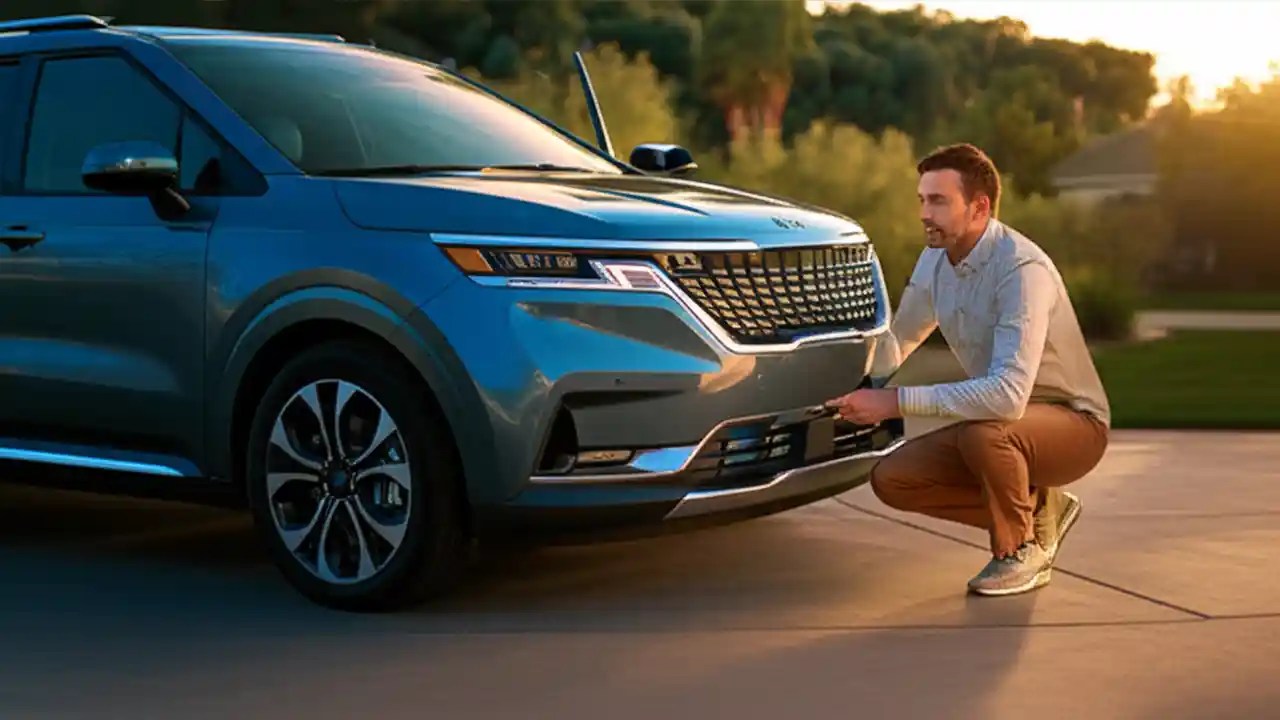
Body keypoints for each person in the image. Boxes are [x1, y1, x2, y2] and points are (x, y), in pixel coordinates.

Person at [825, 143, 1110, 596]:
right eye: (922, 199)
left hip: (1073, 424)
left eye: (938, 201)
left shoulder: (1021, 270)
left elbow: (1007, 396)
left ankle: (1020, 551)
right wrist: (844, 385)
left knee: (986, 432)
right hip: (1003, 424)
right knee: (894, 479)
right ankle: (1040, 508)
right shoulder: (936, 258)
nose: (924, 212)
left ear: (979, 207)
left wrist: (893, 402)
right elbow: (900, 340)